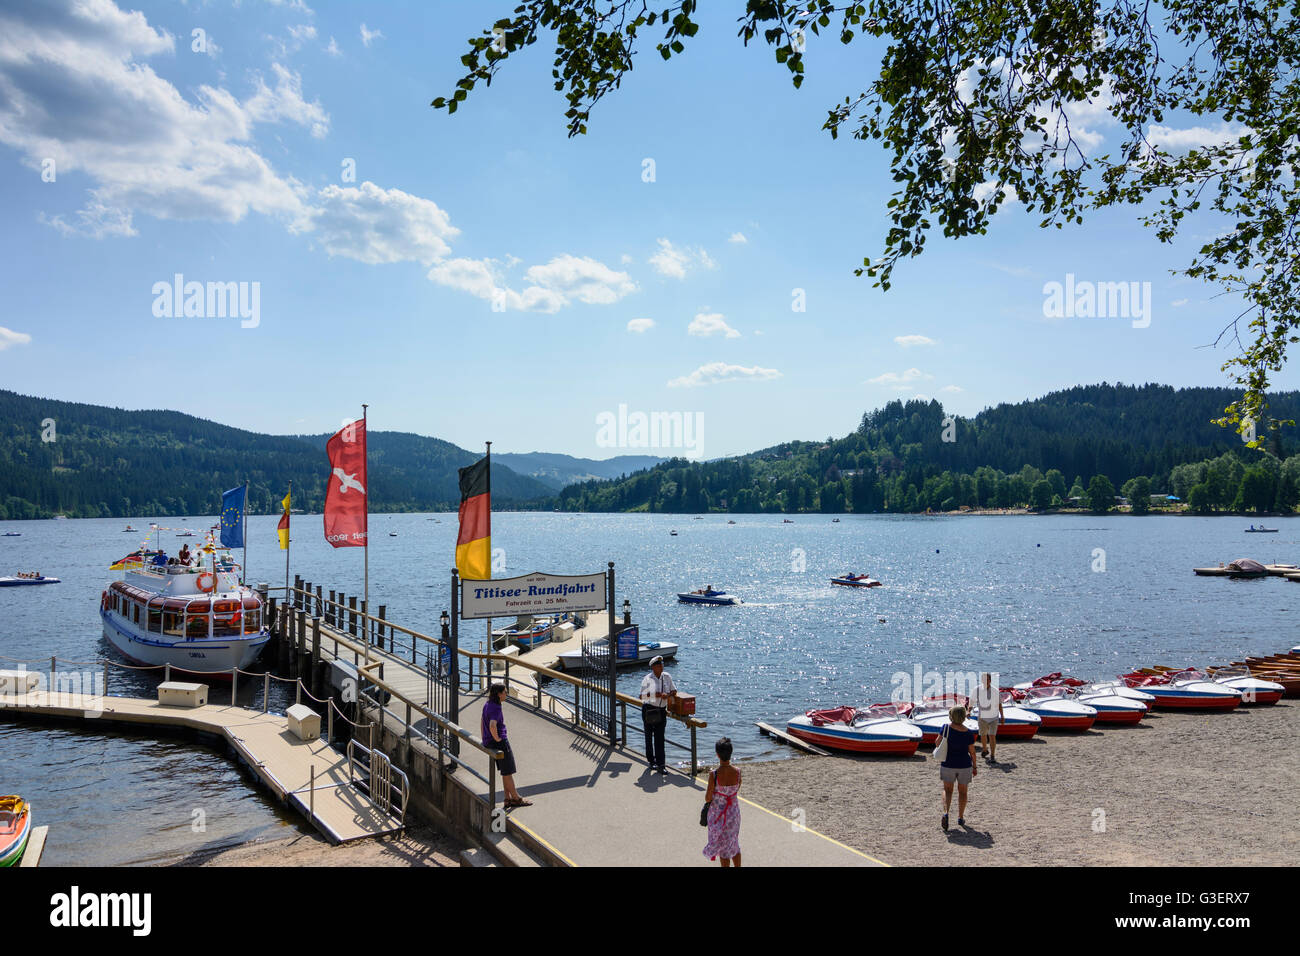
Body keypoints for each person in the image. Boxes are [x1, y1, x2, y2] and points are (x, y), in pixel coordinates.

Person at [481, 683, 531, 807]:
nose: (506, 694)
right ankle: (516, 798)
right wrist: (497, 738)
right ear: (499, 694)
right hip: (500, 742)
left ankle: (507, 798)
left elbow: (483, 722)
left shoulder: (487, 704)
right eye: (505, 692)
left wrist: (485, 738)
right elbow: (493, 725)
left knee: (504, 771)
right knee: (508, 771)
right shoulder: (496, 708)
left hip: (488, 741)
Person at [703, 737, 742, 866]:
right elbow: (735, 790)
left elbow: (708, 798)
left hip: (719, 816)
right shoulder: (738, 772)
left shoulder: (714, 775)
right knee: (734, 843)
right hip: (734, 813)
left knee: (723, 849)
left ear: (717, 754)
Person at [938, 704, 977, 831]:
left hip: (948, 763)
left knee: (947, 790)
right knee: (963, 792)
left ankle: (946, 813)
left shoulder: (945, 728)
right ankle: (960, 817)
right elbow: (972, 752)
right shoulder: (969, 733)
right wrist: (975, 766)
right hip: (964, 765)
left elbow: (937, 743)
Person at [639, 655, 676, 772]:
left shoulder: (667, 677)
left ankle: (661, 765)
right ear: (653, 667)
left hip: (661, 710)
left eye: (662, 664)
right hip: (649, 709)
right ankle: (651, 761)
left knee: (660, 738)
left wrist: (668, 695)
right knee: (649, 737)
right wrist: (657, 694)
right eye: (659, 665)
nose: (661, 666)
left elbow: (674, 691)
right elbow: (642, 696)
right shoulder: (647, 679)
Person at [974, 672, 1003, 762]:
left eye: (987, 679)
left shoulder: (995, 691)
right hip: (982, 716)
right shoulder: (977, 690)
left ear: (990, 680)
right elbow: (971, 700)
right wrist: (968, 710)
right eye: (983, 679)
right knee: (983, 735)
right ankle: (985, 749)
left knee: (992, 735)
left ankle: (993, 755)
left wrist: (1002, 716)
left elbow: (999, 704)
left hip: (993, 717)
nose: (985, 681)